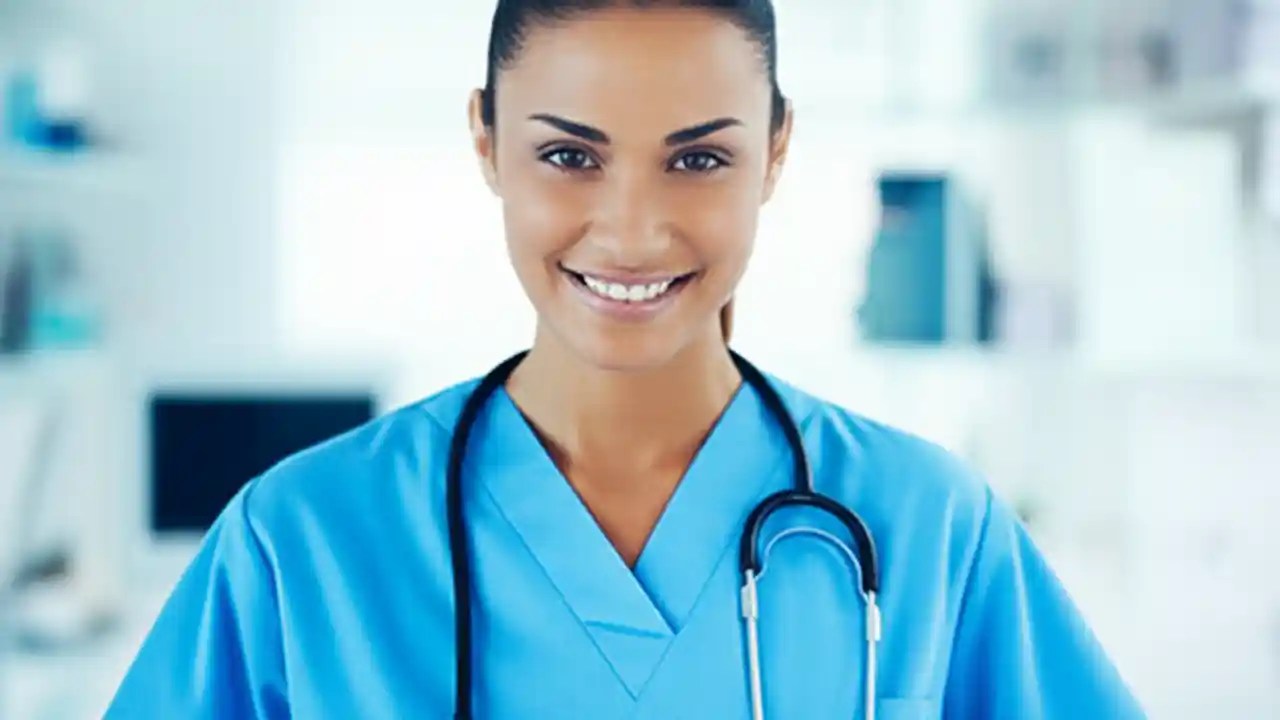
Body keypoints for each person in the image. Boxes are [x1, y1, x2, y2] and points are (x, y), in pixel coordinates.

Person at [106, 1, 1147, 717]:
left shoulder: (927, 527)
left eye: (698, 159)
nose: (633, 231)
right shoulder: (304, 545)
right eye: (568, 156)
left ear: (776, 153)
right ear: (485, 142)